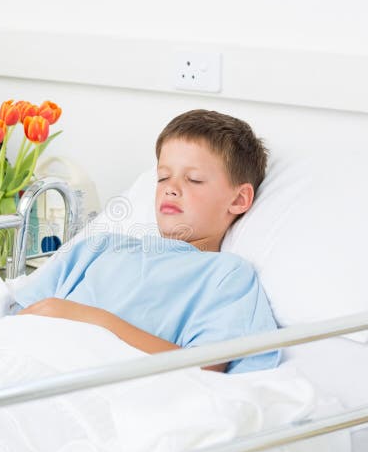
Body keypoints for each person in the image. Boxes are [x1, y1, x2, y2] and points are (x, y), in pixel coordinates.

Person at [14, 110, 279, 373]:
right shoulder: (99, 248)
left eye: (194, 179)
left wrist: (94, 320)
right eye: (163, 177)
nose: (170, 188)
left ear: (238, 200)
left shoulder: (226, 275)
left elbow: (204, 369)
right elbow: (17, 319)